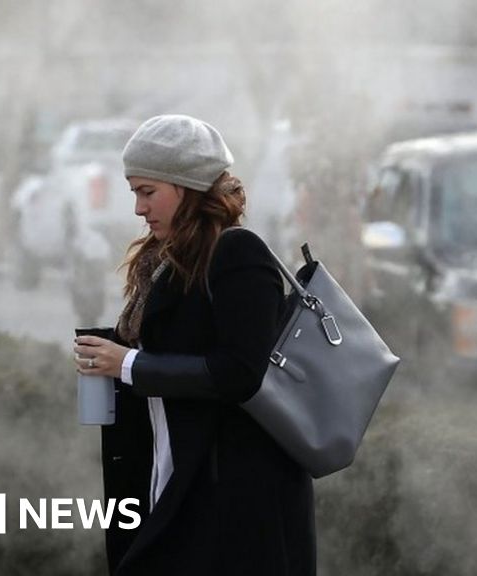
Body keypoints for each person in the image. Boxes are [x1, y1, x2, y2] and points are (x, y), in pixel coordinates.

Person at [73, 114, 315, 575]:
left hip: (233, 498)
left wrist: (129, 365)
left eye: (148, 192)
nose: (139, 209)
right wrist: (110, 358)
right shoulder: (164, 261)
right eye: (134, 193)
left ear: (185, 186)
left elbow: (241, 372)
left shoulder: (238, 253)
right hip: (173, 480)